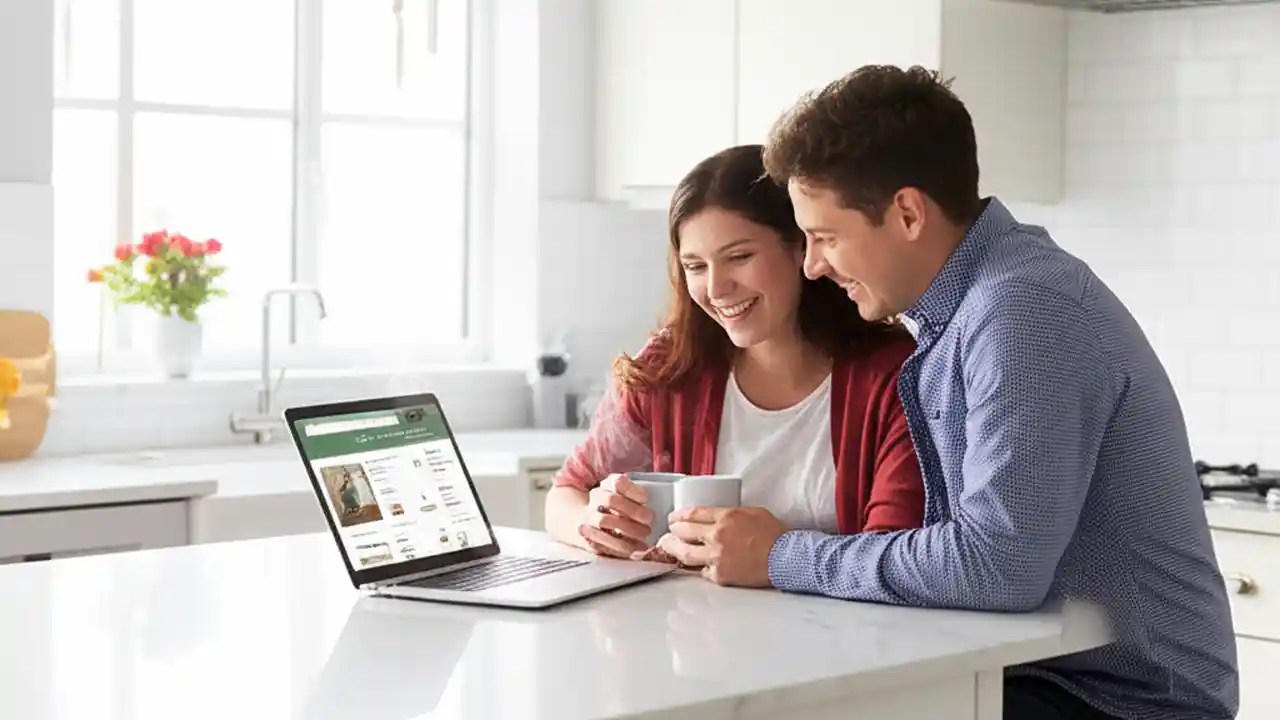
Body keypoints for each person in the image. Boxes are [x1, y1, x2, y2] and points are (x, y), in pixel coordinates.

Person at [659, 66, 1238, 719]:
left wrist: (781, 554)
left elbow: (996, 566)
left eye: (824, 237)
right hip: (1035, 673)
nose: (815, 265)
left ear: (907, 213)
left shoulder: (1022, 311)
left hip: (1121, 699)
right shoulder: (962, 313)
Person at [546, 144, 925, 563]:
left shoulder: (897, 376)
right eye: (695, 266)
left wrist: (775, 556)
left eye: (739, 257)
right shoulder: (670, 368)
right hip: (688, 625)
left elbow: (895, 554)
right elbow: (566, 493)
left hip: (845, 629)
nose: (716, 288)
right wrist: (594, 523)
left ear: (801, 247)